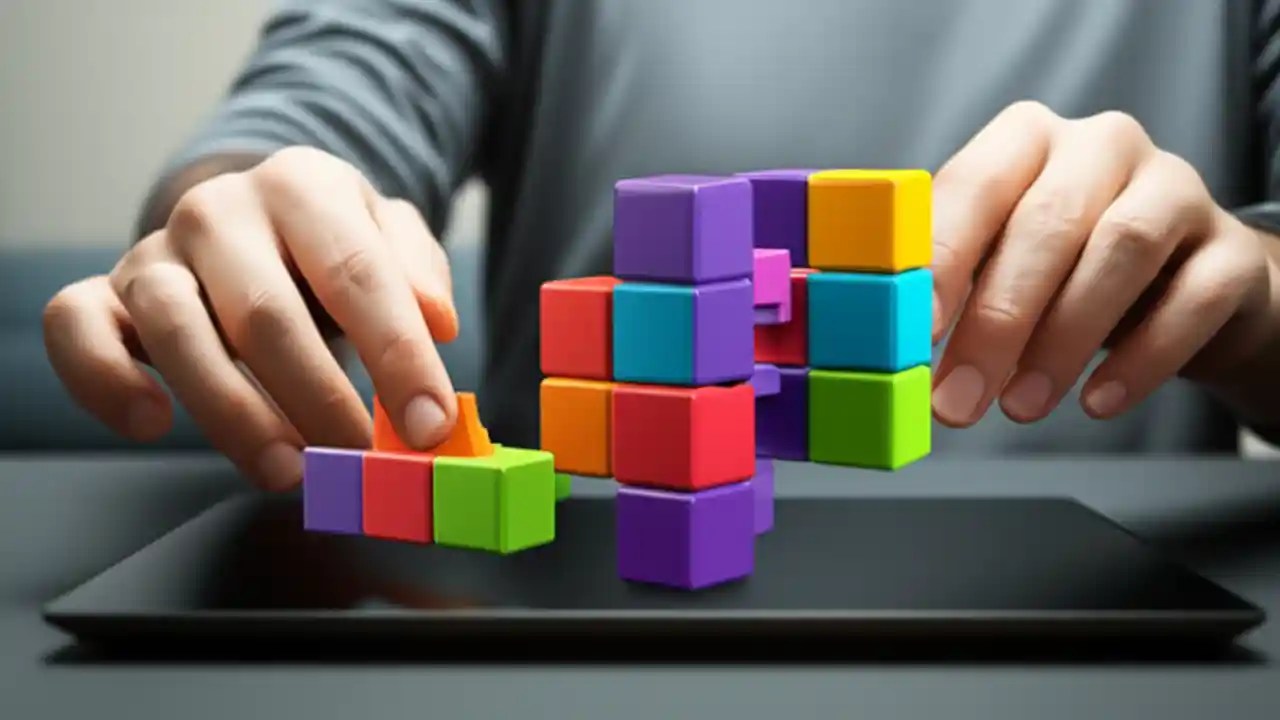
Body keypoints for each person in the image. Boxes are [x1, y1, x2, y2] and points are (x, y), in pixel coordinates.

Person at [40, 0, 1280, 490]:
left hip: (1114, 635)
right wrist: (247, 207)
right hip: (566, 616)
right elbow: (318, 104)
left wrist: (1257, 294)